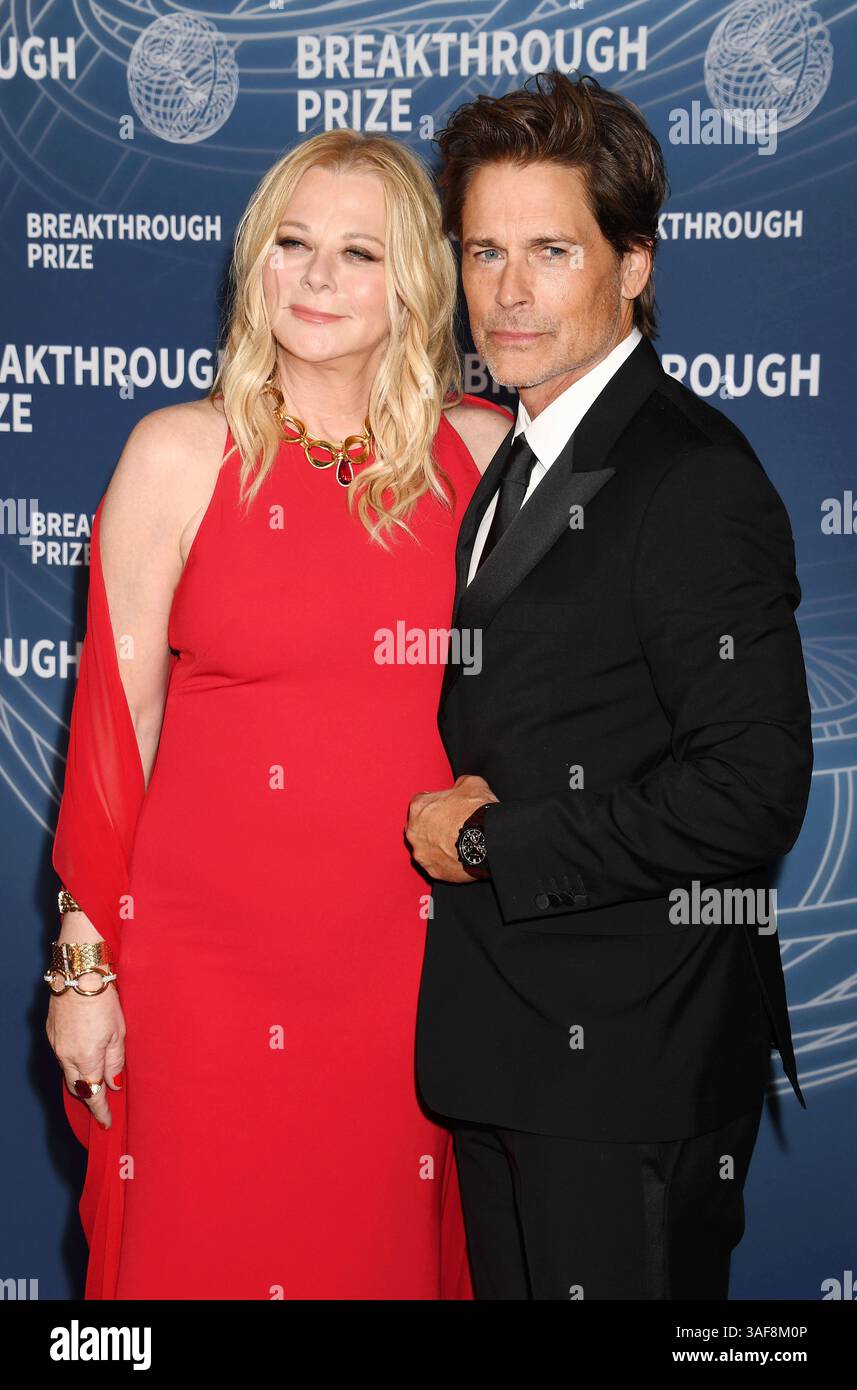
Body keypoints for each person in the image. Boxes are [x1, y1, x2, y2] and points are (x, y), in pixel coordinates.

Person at [46, 128, 513, 1299]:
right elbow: (117, 731)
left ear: (412, 278)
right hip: (201, 972)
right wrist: (82, 973)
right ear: (253, 263)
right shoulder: (176, 454)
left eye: (356, 252)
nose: (314, 278)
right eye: (291, 245)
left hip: (409, 970)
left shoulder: (483, 456)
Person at [407, 71, 814, 1300]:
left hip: (631, 1065)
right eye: (484, 250)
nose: (507, 291)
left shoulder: (689, 476)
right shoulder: (523, 450)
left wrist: (490, 840)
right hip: (514, 1056)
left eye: (550, 249)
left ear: (632, 264)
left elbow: (750, 791)